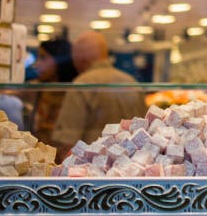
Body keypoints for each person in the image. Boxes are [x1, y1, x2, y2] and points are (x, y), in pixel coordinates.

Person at [51, 31, 146, 159]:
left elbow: (67, 141)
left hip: (91, 170)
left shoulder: (82, 84)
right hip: (131, 167)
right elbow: (145, 132)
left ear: (80, 57)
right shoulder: (131, 82)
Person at [30, 37, 78, 146]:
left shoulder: (74, 94)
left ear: (59, 60)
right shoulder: (37, 90)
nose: (37, 64)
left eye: (43, 58)